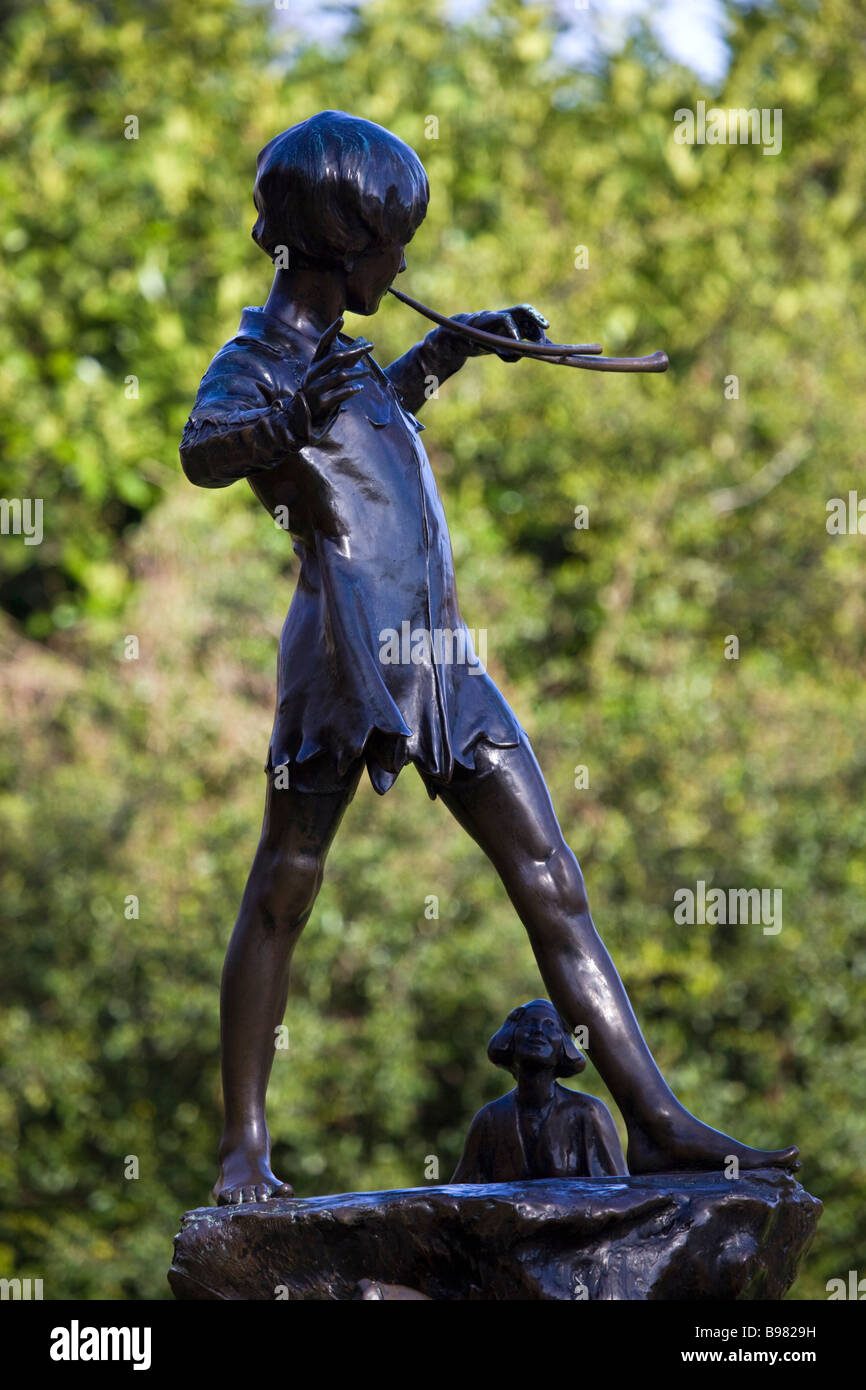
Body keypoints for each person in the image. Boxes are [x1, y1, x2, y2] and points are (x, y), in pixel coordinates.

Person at [180, 110, 798, 1204]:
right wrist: (282, 424)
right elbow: (203, 448)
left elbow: (372, 427)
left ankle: (652, 1120)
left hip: (443, 660)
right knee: (282, 886)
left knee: (551, 879)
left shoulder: (346, 361)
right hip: (345, 658)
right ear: (336, 244)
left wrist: (450, 348)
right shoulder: (264, 358)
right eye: (392, 242)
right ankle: (242, 1150)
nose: (404, 260)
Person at [452, 1000, 628, 1182]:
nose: (538, 1030)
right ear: (511, 1037)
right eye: (529, 1023)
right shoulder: (489, 1119)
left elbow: (617, 1192)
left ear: (563, 1044)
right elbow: (460, 1194)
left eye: (550, 1025)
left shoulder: (588, 1112)